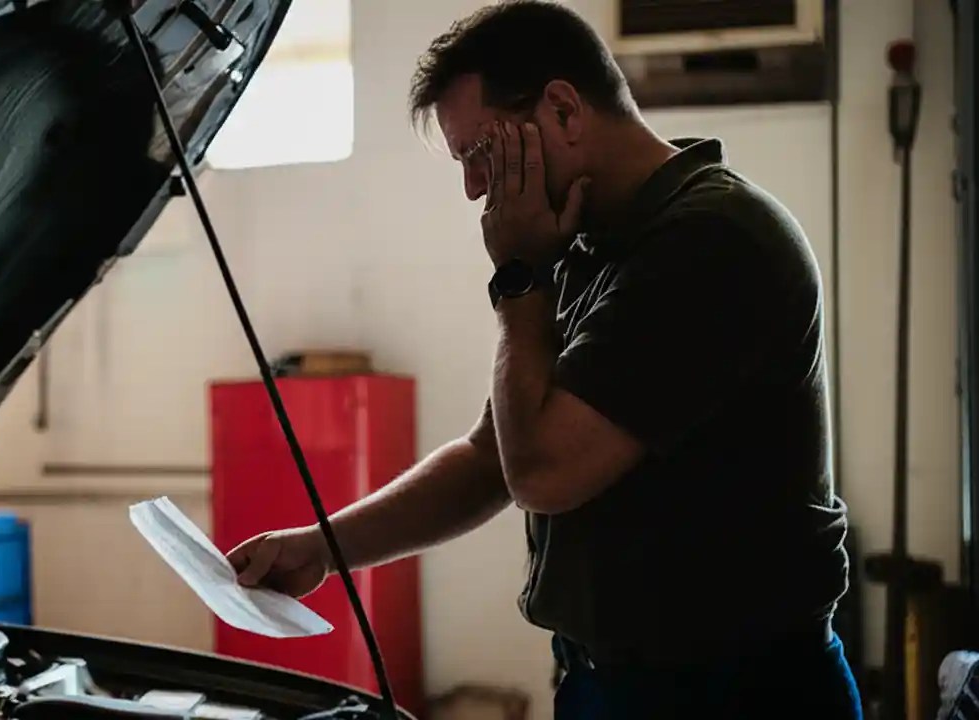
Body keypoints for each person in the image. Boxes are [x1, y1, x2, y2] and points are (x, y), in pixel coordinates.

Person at [226, 1, 862, 717]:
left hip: (731, 694)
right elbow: (491, 457)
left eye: (479, 153)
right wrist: (321, 546)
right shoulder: (595, 246)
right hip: (614, 682)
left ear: (562, 110)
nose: (474, 188)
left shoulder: (710, 242)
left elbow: (541, 473)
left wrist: (520, 280)